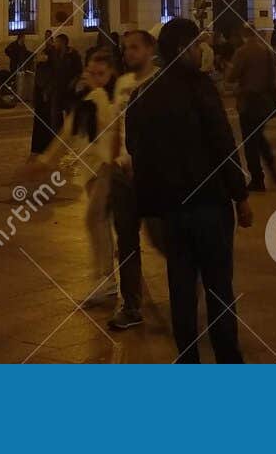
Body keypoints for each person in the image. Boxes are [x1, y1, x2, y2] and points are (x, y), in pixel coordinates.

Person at [124, 17, 252, 364]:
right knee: (218, 288)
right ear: (183, 49)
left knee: (180, 290)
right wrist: (240, 196)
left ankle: (188, 361)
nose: (202, 52)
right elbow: (223, 143)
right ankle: (228, 360)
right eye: (197, 46)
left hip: (171, 211)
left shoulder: (141, 95)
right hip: (210, 206)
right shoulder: (200, 88)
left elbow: (134, 147)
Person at [35, 47, 121, 310]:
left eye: (101, 73)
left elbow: (110, 128)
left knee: (94, 219)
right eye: (91, 71)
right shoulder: (87, 100)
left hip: (107, 168)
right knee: (105, 224)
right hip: (93, 170)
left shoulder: (103, 98)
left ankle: (107, 281)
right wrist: (45, 161)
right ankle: (111, 279)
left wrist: (46, 162)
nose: (95, 77)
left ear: (111, 74)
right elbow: (67, 133)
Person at [106, 28, 158, 330]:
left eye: (135, 48)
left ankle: (187, 291)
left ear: (150, 50)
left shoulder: (160, 82)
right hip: (123, 176)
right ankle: (132, 304)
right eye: (126, 48)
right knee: (126, 240)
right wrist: (114, 162)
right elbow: (116, 126)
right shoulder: (124, 84)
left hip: (153, 174)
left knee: (167, 238)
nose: (128, 53)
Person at [227, 26, 276, 192]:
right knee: (258, 137)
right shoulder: (265, 51)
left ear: (243, 35)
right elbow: (272, 76)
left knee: (250, 142)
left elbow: (232, 77)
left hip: (248, 101)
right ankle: (272, 167)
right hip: (263, 101)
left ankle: (257, 179)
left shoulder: (242, 52)